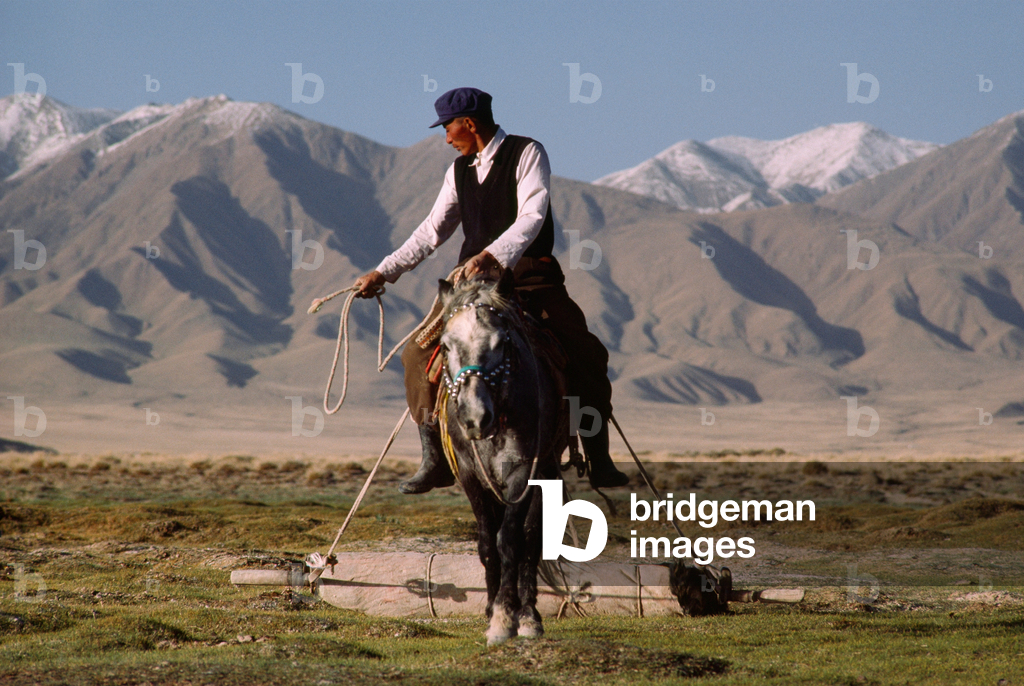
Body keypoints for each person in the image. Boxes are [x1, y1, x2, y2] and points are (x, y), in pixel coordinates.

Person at [352, 87, 629, 494]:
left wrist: (493, 255)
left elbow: (533, 215)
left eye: (447, 127)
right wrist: (383, 272)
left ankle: (598, 456)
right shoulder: (457, 171)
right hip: (472, 289)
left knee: (584, 351)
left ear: (469, 122)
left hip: (532, 279)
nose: (446, 137)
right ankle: (435, 458)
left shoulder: (527, 153)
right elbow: (431, 232)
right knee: (416, 352)